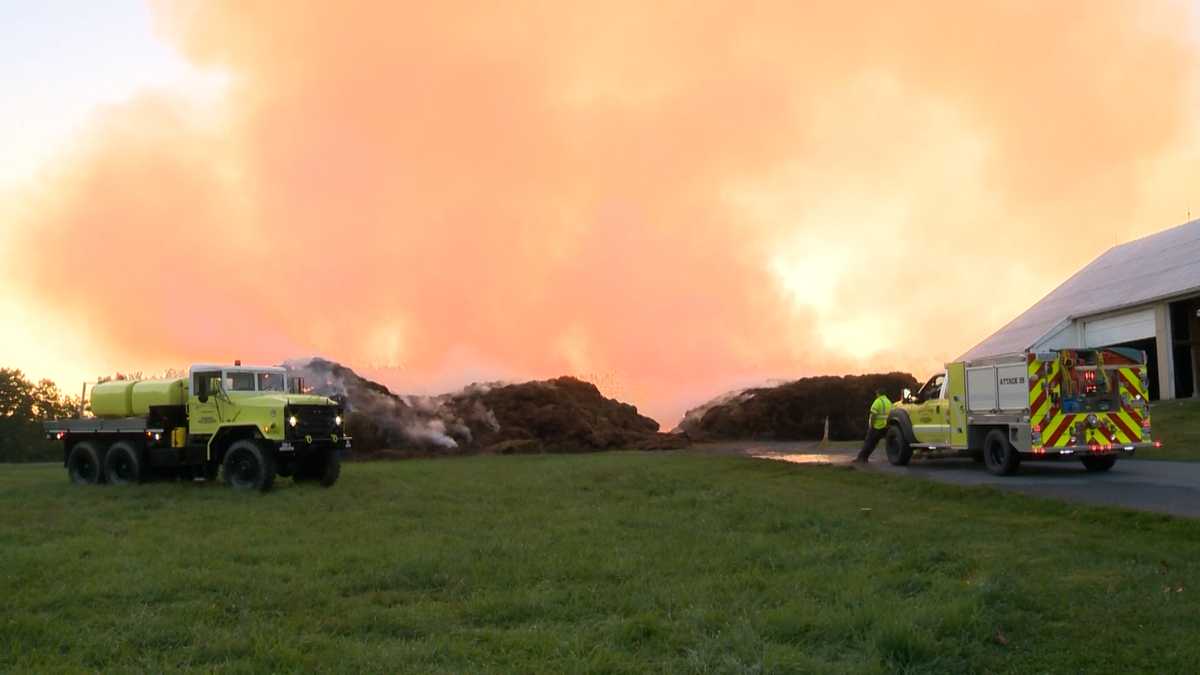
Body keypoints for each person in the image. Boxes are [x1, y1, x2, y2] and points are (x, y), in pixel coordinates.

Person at [853, 387, 892, 463]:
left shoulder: (878, 401)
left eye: (876, 394)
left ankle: (862, 458)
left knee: (869, 442)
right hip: (886, 426)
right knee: (875, 443)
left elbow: (873, 414)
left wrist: (872, 425)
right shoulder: (889, 402)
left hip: (877, 426)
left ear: (878, 393)